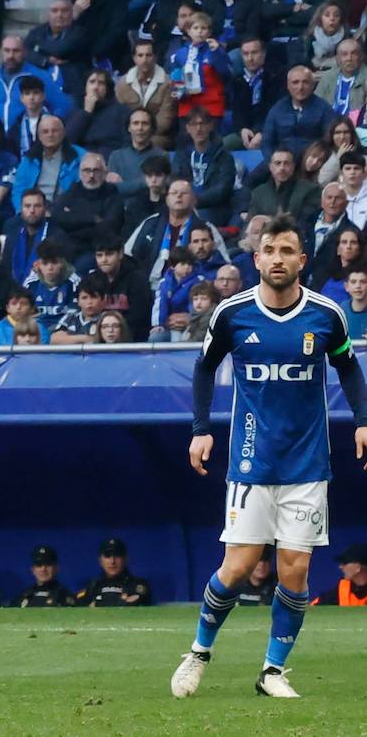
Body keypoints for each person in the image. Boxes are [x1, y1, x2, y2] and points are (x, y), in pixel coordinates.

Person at [173, 214, 367, 699]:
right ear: (256, 258)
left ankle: (272, 671)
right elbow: (202, 369)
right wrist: (201, 430)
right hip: (250, 459)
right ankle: (198, 653)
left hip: (307, 464)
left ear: (301, 259)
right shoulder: (232, 314)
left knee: (294, 570)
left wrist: (363, 420)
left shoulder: (326, 315)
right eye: (269, 251)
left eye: (287, 251)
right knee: (237, 568)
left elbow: (348, 368)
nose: (278, 259)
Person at [0, 36, 73, 130]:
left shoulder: (39, 76)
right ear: (1, 52)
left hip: (31, 139)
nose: (11, 56)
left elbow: (63, 105)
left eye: (16, 51)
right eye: (7, 50)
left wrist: (49, 125)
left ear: (24, 52)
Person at [53, 152, 123, 258]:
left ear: (104, 173)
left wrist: (74, 228)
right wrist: (92, 219)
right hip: (69, 248)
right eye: (87, 170)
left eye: (96, 170)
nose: (91, 175)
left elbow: (109, 227)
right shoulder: (72, 191)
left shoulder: (112, 193)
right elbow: (58, 217)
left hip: (98, 251)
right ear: (80, 173)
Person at [261, 67, 336, 165]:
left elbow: (329, 141)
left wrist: (316, 160)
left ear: (313, 85)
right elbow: (267, 142)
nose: (300, 87)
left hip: (311, 164)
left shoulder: (325, 108)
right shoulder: (277, 109)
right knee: (251, 180)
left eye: (305, 82)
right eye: (295, 82)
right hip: (281, 163)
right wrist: (274, 162)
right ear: (288, 85)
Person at [10, 116, 82, 210]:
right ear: (39, 136)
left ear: (63, 133)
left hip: (65, 210)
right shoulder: (29, 158)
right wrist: (22, 212)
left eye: (54, 131)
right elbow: (19, 190)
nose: (50, 135)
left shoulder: (79, 157)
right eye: (45, 132)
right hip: (34, 210)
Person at [75, 537, 152, 607]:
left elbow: (133, 604)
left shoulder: (138, 585)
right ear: (100, 561)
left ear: (126, 559)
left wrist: (97, 604)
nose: (112, 561)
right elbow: (78, 605)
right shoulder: (93, 585)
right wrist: (121, 602)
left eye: (117, 555)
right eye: (107, 556)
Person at [249, 147, 319, 222]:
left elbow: (307, 222)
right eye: (277, 163)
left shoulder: (310, 190)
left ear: (293, 167)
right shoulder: (259, 193)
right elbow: (251, 223)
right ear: (270, 167)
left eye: (286, 163)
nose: (282, 168)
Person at [107, 109, 165, 201]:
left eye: (145, 123)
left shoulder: (161, 155)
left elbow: (160, 189)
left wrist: (125, 185)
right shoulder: (116, 157)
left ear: (152, 128)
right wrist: (145, 182)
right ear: (129, 128)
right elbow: (113, 190)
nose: (140, 128)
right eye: (135, 123)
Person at [315, 37, 367, 116]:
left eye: (354, 54)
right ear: (337, 58)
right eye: (344, 54)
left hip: (357, 126)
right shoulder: (328, 76)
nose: (349, 58)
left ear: (361, 57)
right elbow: (315, 105)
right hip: (328, 124)